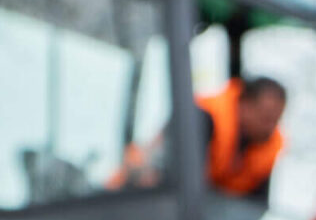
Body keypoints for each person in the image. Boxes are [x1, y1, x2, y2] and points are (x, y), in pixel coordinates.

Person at [113, 75, 287, 201]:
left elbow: (253, 208)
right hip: (125, 199)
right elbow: (161, 177)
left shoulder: (265, 150)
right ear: (245, 105)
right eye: (265, 118)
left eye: (275, 120)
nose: (270, 127)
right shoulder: (201, 118)